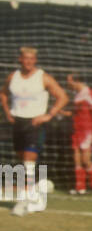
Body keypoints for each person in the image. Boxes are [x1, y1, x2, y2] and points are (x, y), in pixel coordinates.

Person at [1, 45, 68, 212]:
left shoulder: (43, 77)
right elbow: (3, 94)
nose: (28, 61)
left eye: (32, 59)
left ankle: (24, 200)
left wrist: (48, 115)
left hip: (35, 123)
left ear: (35, 60)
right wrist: (8, 112)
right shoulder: (13, 77)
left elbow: (62, 97)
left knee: (28, 161)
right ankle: (38, 189)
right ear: (20, 59)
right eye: (26, 58)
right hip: (18, 123)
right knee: (22, 159)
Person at [65, 73, 92, 195]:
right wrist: (61, 112)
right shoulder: (76, 96)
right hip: (76, 130)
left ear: (76, 81)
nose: (67, 84)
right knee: (77, 159)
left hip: (87, 131)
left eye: (69, 81)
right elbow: (75, 114)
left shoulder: (89, 93)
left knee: (86, 160)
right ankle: (80, 187)